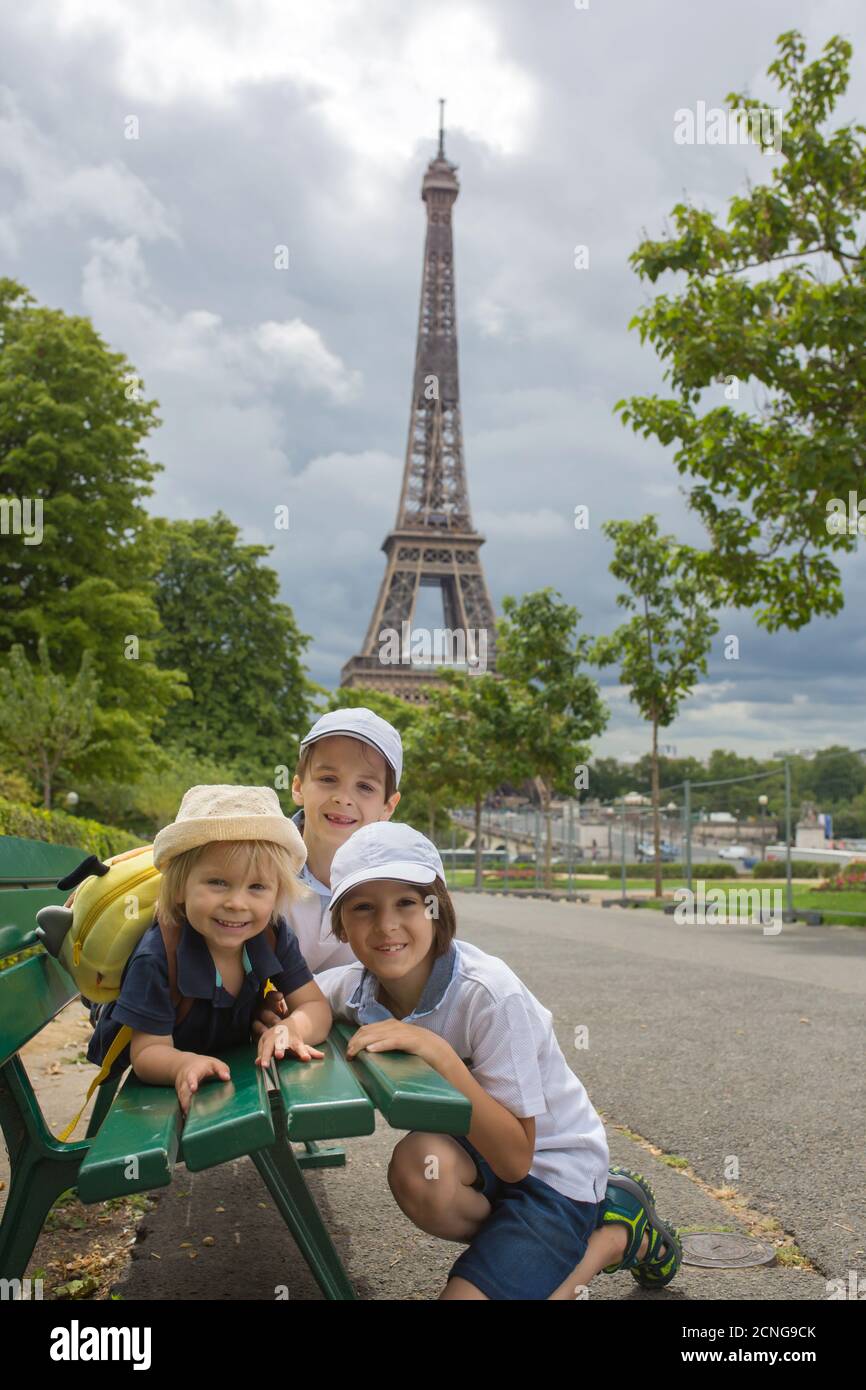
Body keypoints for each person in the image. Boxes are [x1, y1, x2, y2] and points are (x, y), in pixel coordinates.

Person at [313, 820, 683, 1301]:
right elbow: (296, 999)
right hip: (476, 1153)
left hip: (553, 1171)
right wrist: (280, 1018)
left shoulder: (489, 993)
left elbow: (515, 1161)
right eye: (364, 907)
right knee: (416, 1167)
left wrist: (441, 1055)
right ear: (342, 925)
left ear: (435, 908)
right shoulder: (358, 988)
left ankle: (615, 1233)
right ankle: (530, 1253)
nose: (386, 925)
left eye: (406, 902)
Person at [87, 785, 332, 1114]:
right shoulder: (158, 957)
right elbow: (146, 1054)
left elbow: (315, 1006)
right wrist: (181, 1065)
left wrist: (292, 1028)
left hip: (226, 1047)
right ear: (179, 889)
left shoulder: (272, 935)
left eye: (257, 887)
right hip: (173, 1049)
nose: (236, 903)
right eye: (218, 882)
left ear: (277, 894)